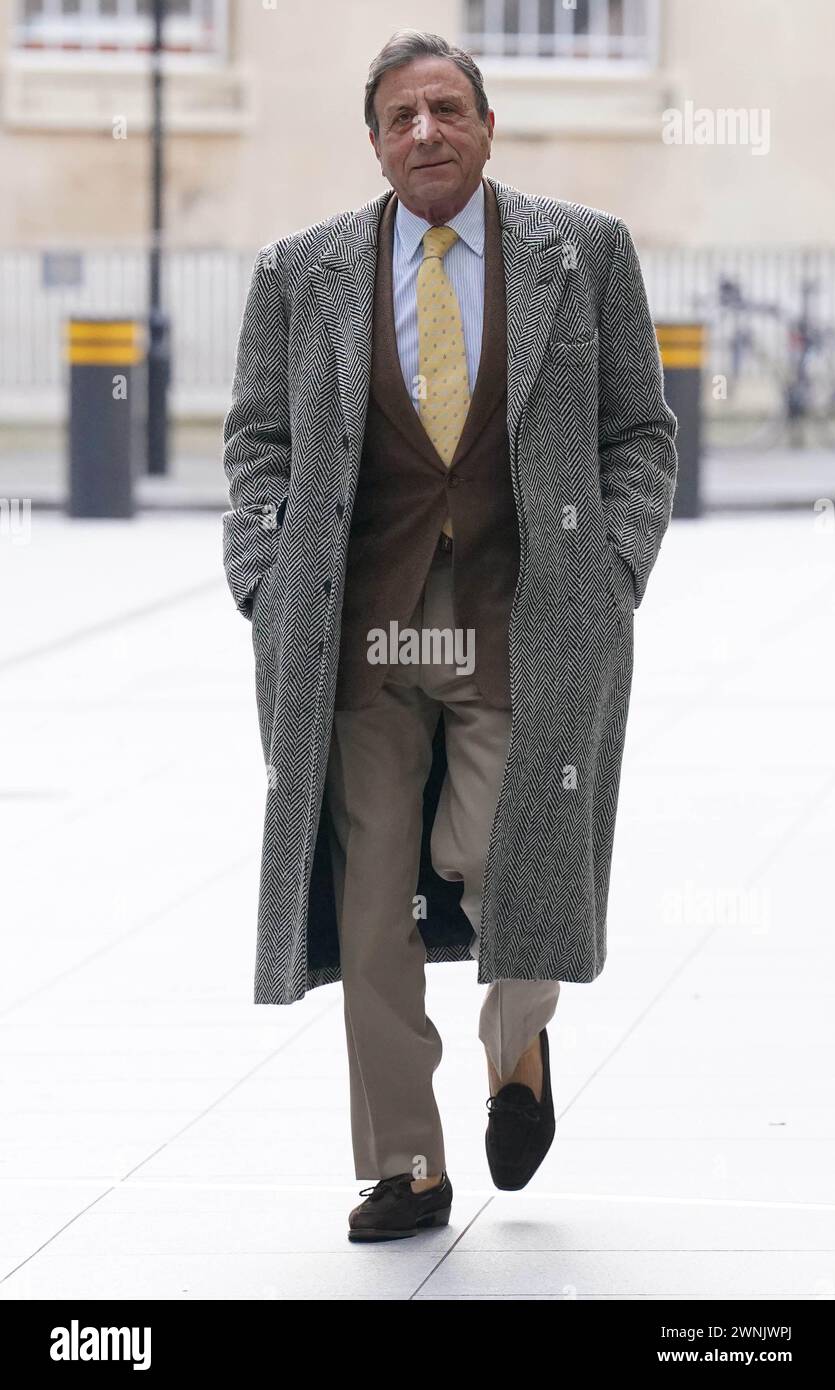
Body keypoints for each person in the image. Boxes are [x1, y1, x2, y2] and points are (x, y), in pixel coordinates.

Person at [221, 28, 678, 1243]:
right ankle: (405, 1165)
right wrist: (262, 579)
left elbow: (639, 432)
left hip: (521, 618)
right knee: (370, 899)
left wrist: (613, 567)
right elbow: (257, 441)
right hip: (352, 634)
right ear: (372, 142)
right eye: (398, 117)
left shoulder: (581, 255)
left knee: (505, 848)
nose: (423, 132)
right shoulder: (299, 272)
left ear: (484, 125)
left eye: (444, 109)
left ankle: (513, 1045)